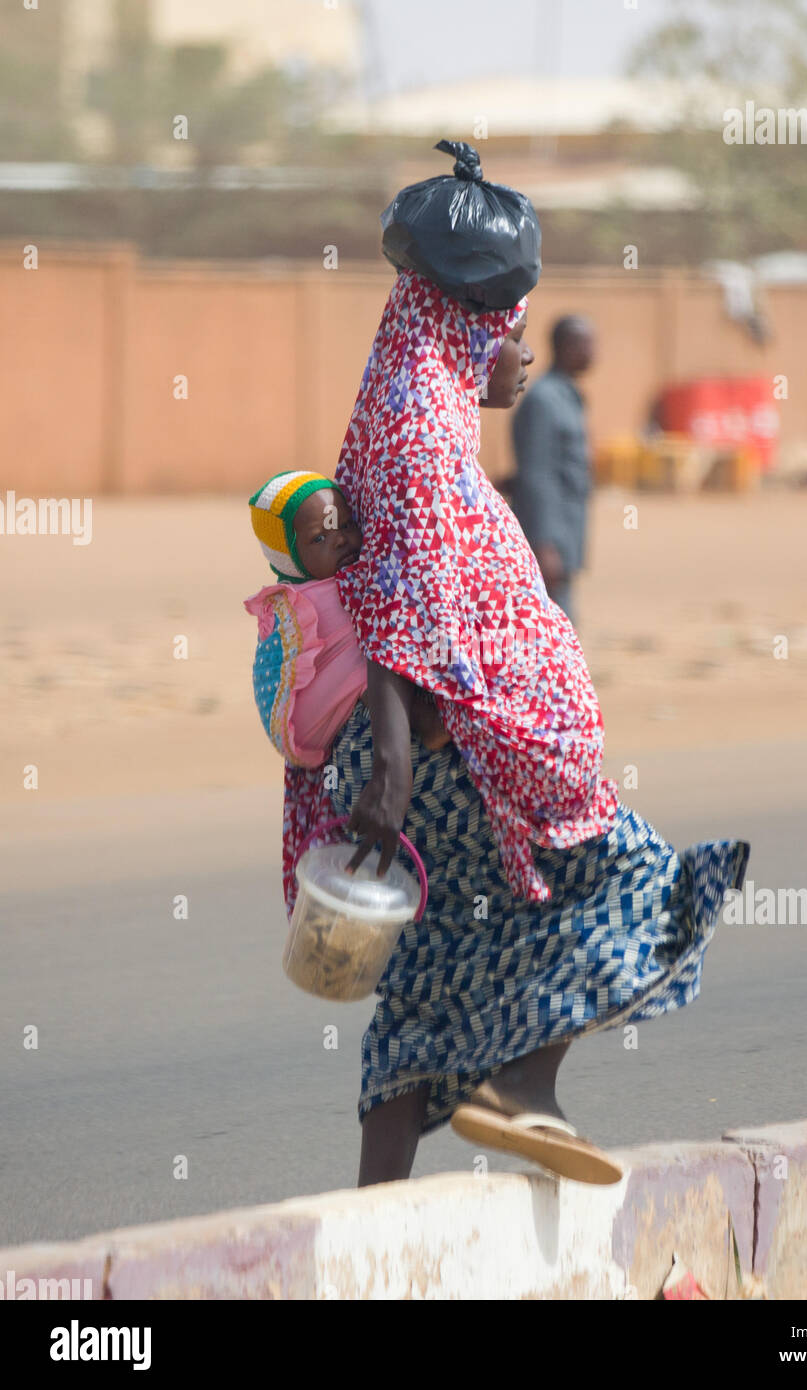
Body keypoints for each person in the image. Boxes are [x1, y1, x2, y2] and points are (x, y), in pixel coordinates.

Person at [278, 264, 749, 1190]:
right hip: (439, 760)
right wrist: (398, 768)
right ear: (462, 342)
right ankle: (521, 1090)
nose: (522, 355)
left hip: (421, 758)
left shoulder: (411, 419)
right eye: (507, 335)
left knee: (429, 966)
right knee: (630, 879)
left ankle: (378, 1216)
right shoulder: (418, 430)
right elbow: (400, 611)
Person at [243, 470, 451, 768]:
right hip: (301, 718)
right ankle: (428, 723)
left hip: (300, 719)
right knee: (375, 648)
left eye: (346, 524)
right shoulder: (316, 599)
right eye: (319, 537)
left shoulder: (310, 590)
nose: (340, 539)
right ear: (288, 556)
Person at [509, 315, 596, 625]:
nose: (591, 352)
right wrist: (545, 544)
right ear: (564, 347)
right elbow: (537, 475)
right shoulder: (545, 401)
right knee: (556, 625)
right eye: (584, 344)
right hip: (550, 541)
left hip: (567, 533)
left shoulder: (568, 396)